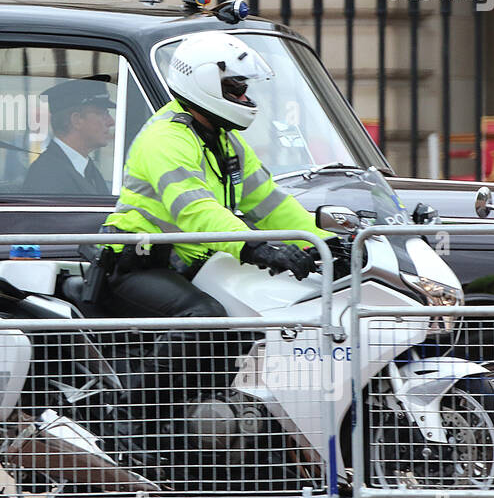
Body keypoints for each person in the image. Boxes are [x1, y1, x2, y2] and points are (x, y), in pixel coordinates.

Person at [95, 33, 337, 464]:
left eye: (244, 88)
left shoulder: (224, 141)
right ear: (204, 83)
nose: (244, 97)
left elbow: (271, 204)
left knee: (247, 322)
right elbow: (195, 211)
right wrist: (254, 247)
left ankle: (208, 436)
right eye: (235, 88)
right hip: (137, 264)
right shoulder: (166, 138)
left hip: (189, 264)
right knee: (203, 318)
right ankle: (128, 424)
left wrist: (325, 243)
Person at [21, 78, 116, 195]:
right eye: (102, 113)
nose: (111, 122)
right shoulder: (47, 176)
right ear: (77, 120)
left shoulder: (85, 169)